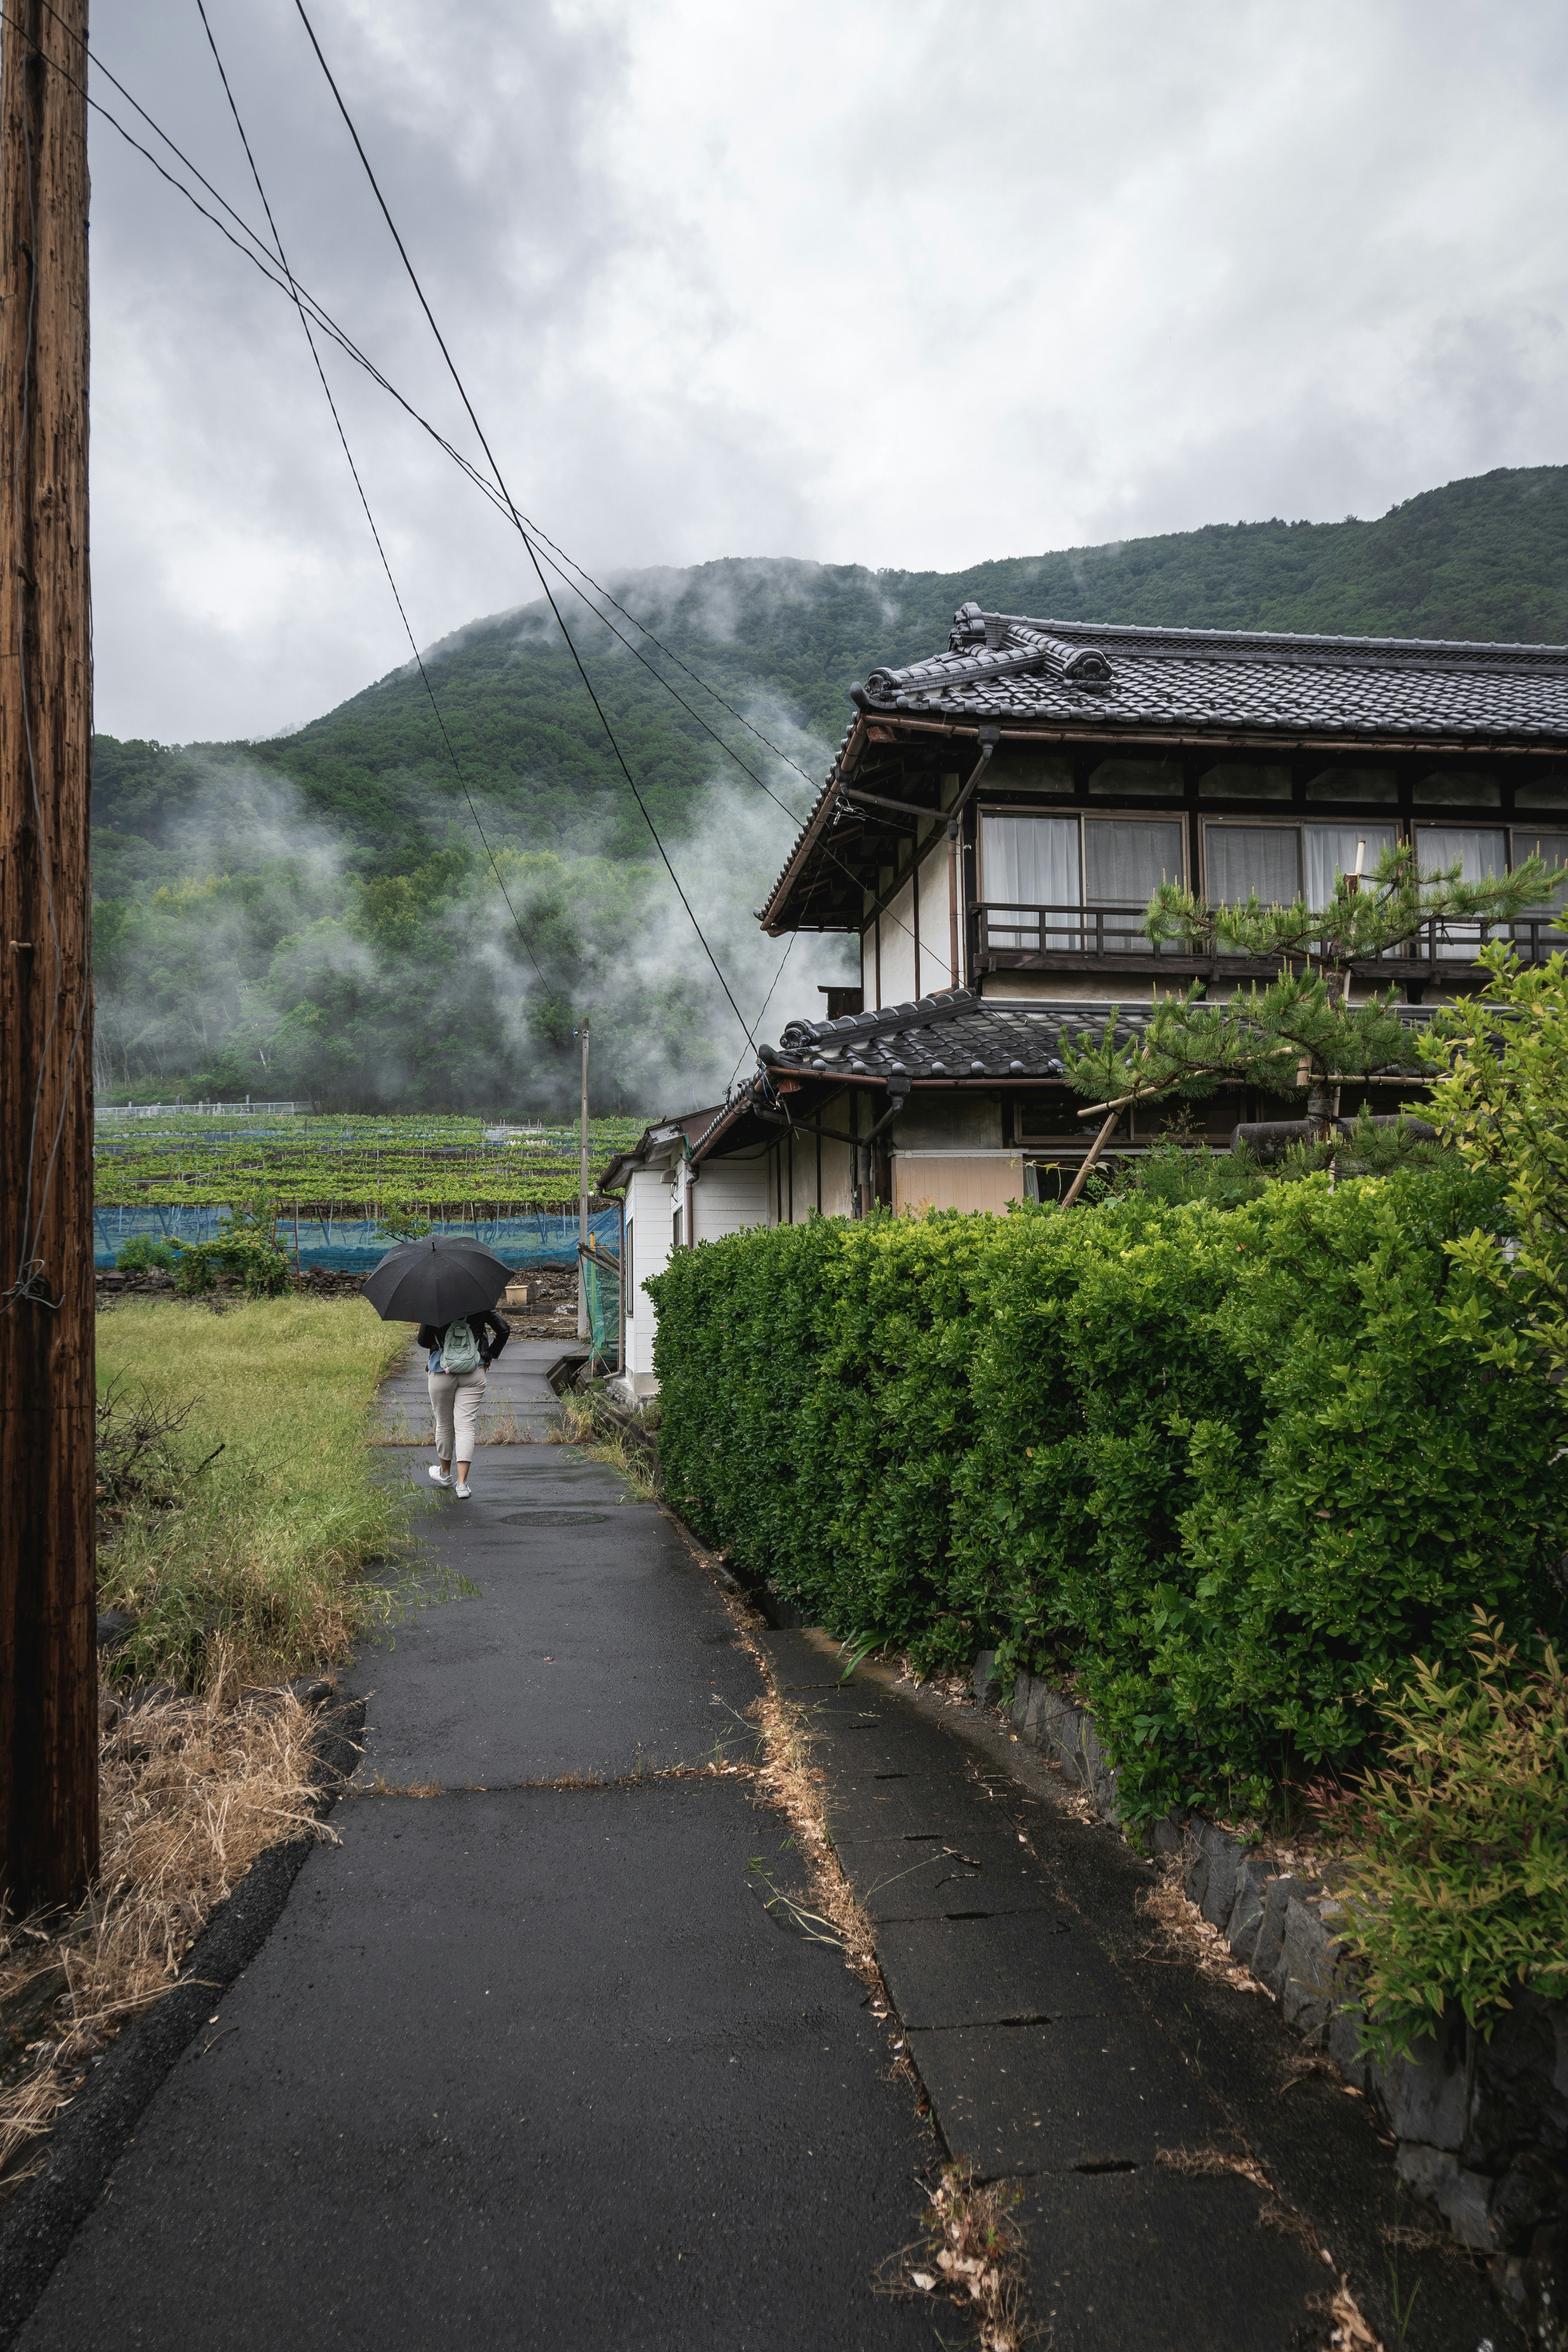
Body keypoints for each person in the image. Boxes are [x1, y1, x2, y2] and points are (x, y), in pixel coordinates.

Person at [417, 1306, 509, 1498]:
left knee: (444, 1425)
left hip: (442, 1371)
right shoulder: (480, 1302)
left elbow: (424, 1341)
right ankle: (463, 1485)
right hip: (474, 1371)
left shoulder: (435, 1304)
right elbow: (504, 1330)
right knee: (466, 1427)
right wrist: (490, 1354)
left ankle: (444, 1475)